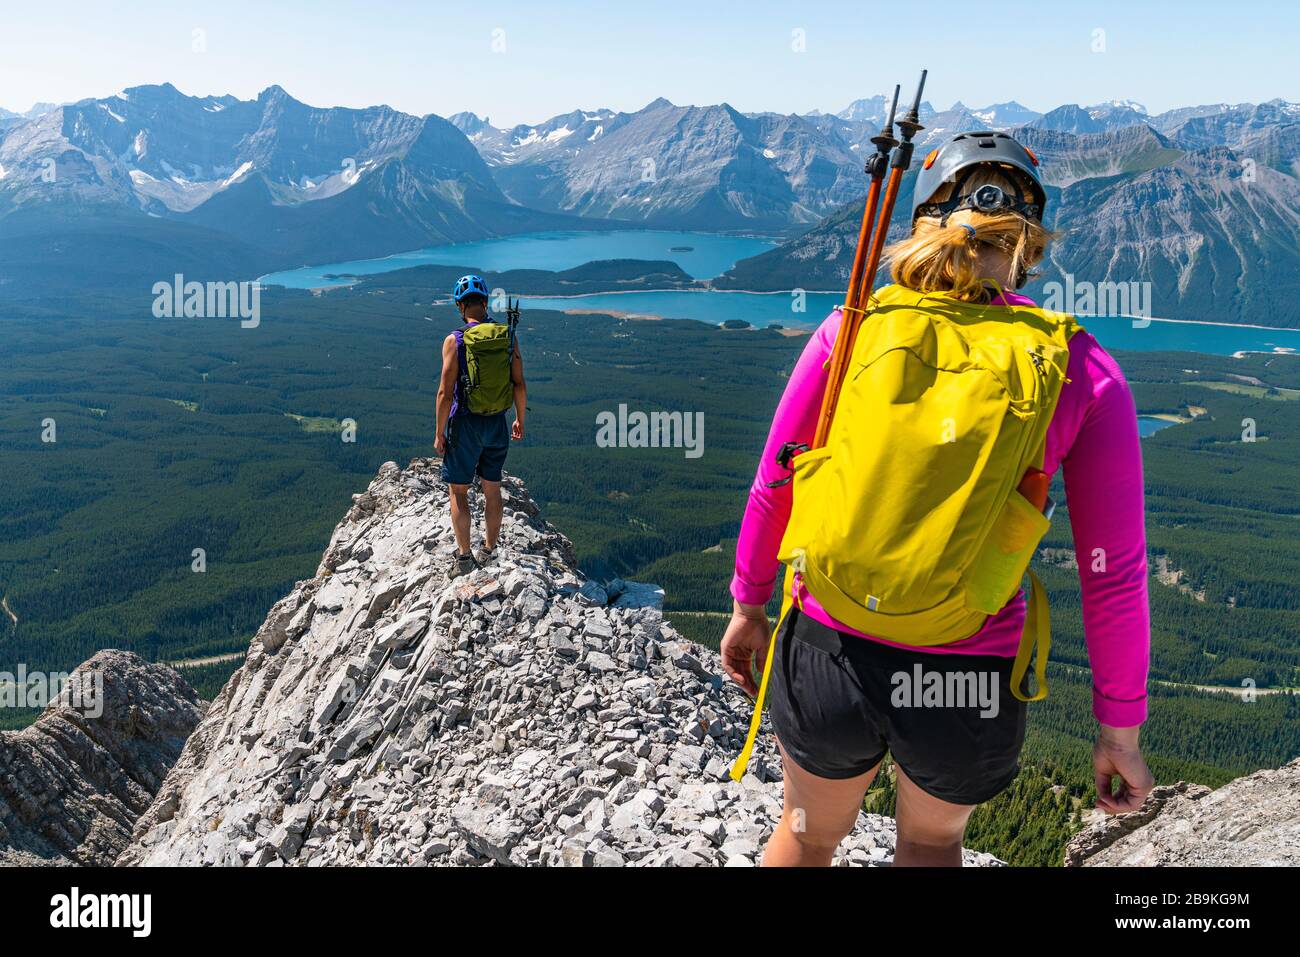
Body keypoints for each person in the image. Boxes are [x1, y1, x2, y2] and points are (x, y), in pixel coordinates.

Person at [720, 131, 1154, 866]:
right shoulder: (1080, 369)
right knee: (928, 841)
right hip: (967, 674)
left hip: (829, 648)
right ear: (1029, 244)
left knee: (804, 833)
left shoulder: (853, 328)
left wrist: (748, 604)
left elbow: (779, 479)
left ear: (923, 222)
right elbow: (1113, 571)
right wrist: (1120, 729)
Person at [435, 274, 526, 579]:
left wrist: (440, 432)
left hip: (466, 424)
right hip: (497, 423)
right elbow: (519, 383)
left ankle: (464, 558)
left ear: (460, 306)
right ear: (486, 303)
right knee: (492, 488)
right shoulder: (507, 336)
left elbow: (445, 393)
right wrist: (519, 419)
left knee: (458, 491)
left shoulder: (455, 340)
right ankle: (489, 550)